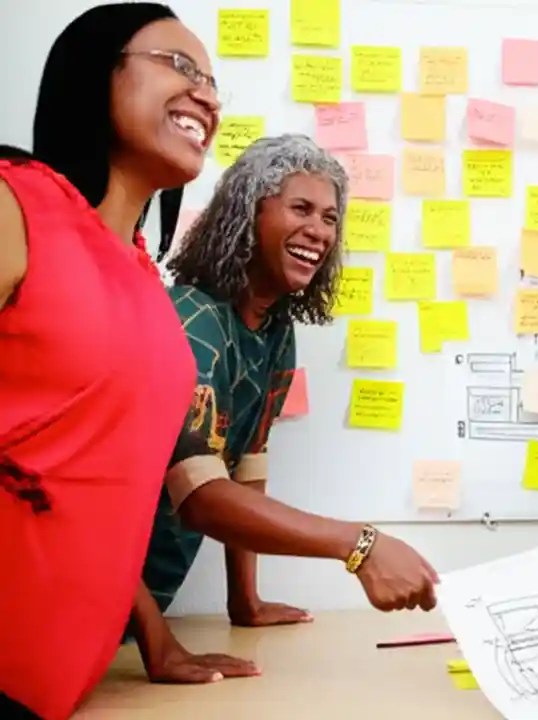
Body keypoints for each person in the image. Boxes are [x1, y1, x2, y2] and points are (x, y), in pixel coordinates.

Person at [129, 134, 441, 684]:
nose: (320, 231)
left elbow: (246, 466)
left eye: (329, 217)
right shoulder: (192, 321)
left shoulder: (275, 330)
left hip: (131, 621)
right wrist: (360, 546)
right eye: (301, 208)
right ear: (247, 216)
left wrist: (244, 601)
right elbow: (199, 497)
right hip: (93, 604)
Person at [0, 4, 218, 718]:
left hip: (69, 690)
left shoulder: (144, 282)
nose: (205, 96)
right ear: (94, 73)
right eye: (177, 65)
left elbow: (98, 482)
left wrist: (154, 634)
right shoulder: (16, 199)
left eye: (212, 82)